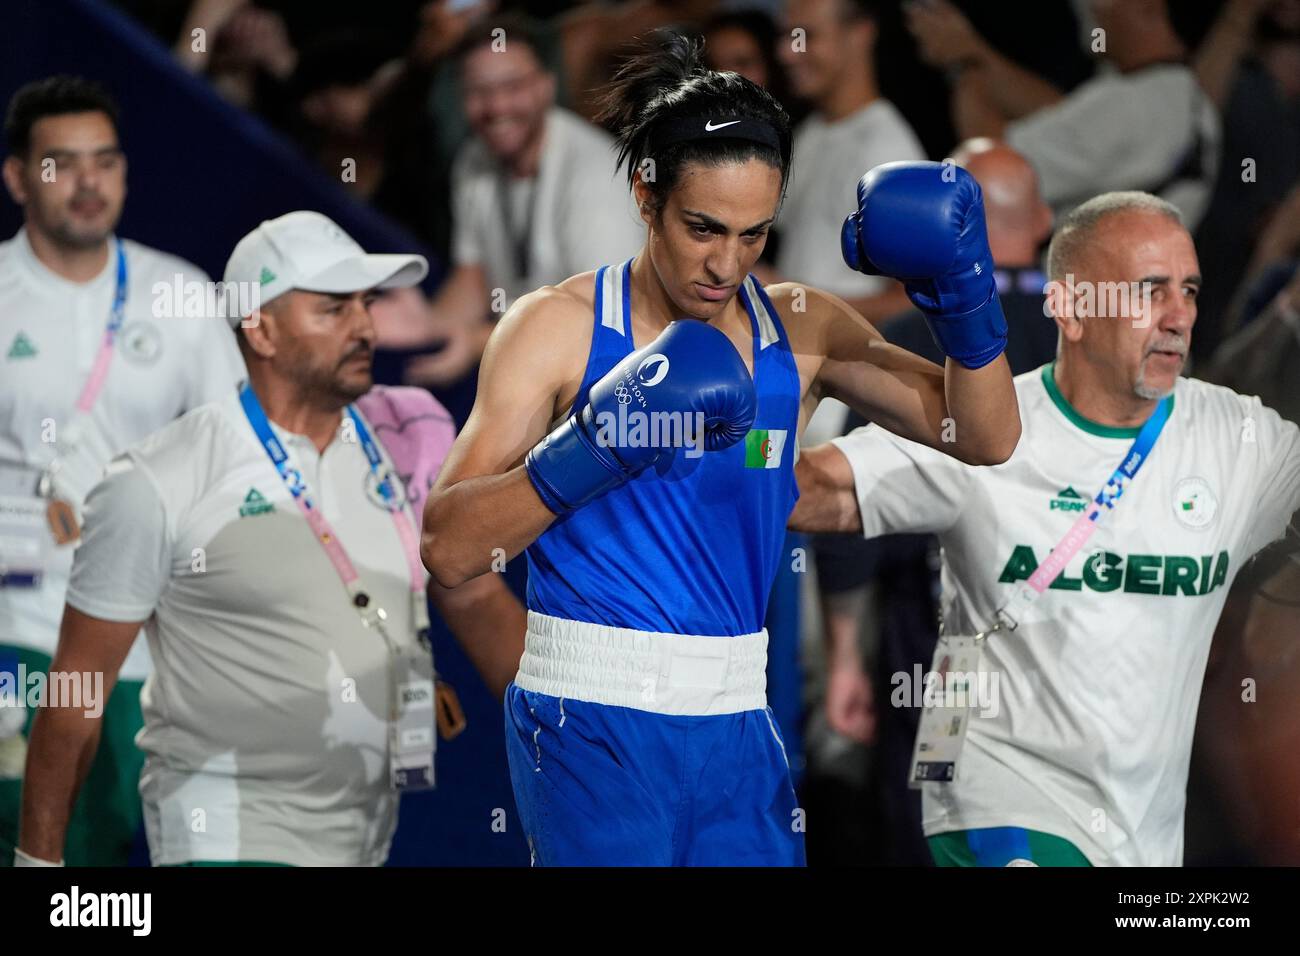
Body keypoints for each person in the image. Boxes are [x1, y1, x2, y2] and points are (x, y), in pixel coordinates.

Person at [421, 32, 1020, 866]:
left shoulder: (801, 326)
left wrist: (966, 299)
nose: (726, 263)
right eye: (704, 228)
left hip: (740, 711)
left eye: (753, 234)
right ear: (645, 194)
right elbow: (449, 546)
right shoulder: (555, 329)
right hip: (586, 711)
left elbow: (984, 435)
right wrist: (598, 442)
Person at [792, 191, 1300, 866]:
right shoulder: (987, 431)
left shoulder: (1238, 442)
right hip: (999, 801)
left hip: (1144, 833)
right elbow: (803, 492)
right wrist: (786, 378)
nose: (1180, 316)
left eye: (1190, 289)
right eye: (1149, 291)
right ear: (1070, 308)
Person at [15, 211, 527, 867]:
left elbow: (478, 599)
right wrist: (38, 864)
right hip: (229, 837)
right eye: (333, 309)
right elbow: (76, 690)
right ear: (260, 328)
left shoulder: (402, 441)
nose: (364, 326)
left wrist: (575, 730)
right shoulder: (161, 478)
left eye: (365, 305)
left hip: (366, 838)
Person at [0, 75, 245, 866]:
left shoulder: (180, 293)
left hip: (145, 637)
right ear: (16, 178)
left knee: (104, 842)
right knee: (26, 838)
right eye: (60, 164)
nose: (87, 182)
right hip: (16, 630)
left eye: (104, 161)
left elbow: (232, 460)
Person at [809, 137, 1056, 865]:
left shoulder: (907, 339)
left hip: (946, 647)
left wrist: (846, 659)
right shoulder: (1098, 329)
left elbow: (855, 504)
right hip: (1092, 636)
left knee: (931, 834)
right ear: (1041, 219)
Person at [374, 17, 643, 390]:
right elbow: (475, 274)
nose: (497, 105)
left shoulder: (596, 174)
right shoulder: (473, 158)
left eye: (512, 86)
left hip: (613, 382)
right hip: (528, 363)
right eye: (479, 91)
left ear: (546, 86)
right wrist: (432, 324)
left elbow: (605, 317)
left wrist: (475, 342)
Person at [907, 0, 1221, 229]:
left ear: (1148, 8)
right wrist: (975, 51)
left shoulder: (1129, 107)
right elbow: (1061, 116)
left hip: (1065, 305)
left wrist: (964, 67)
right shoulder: (1187, 100)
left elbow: (996, 174)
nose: (1093, 8)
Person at [775, 0, 927, 444]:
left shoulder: (889, 154)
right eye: (785, 37)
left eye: (807, 35)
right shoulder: (810, 133)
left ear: (860, 34)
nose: (788, 52)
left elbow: (911, 301)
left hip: (842, 411)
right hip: (793, 384)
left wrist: (795, 300)